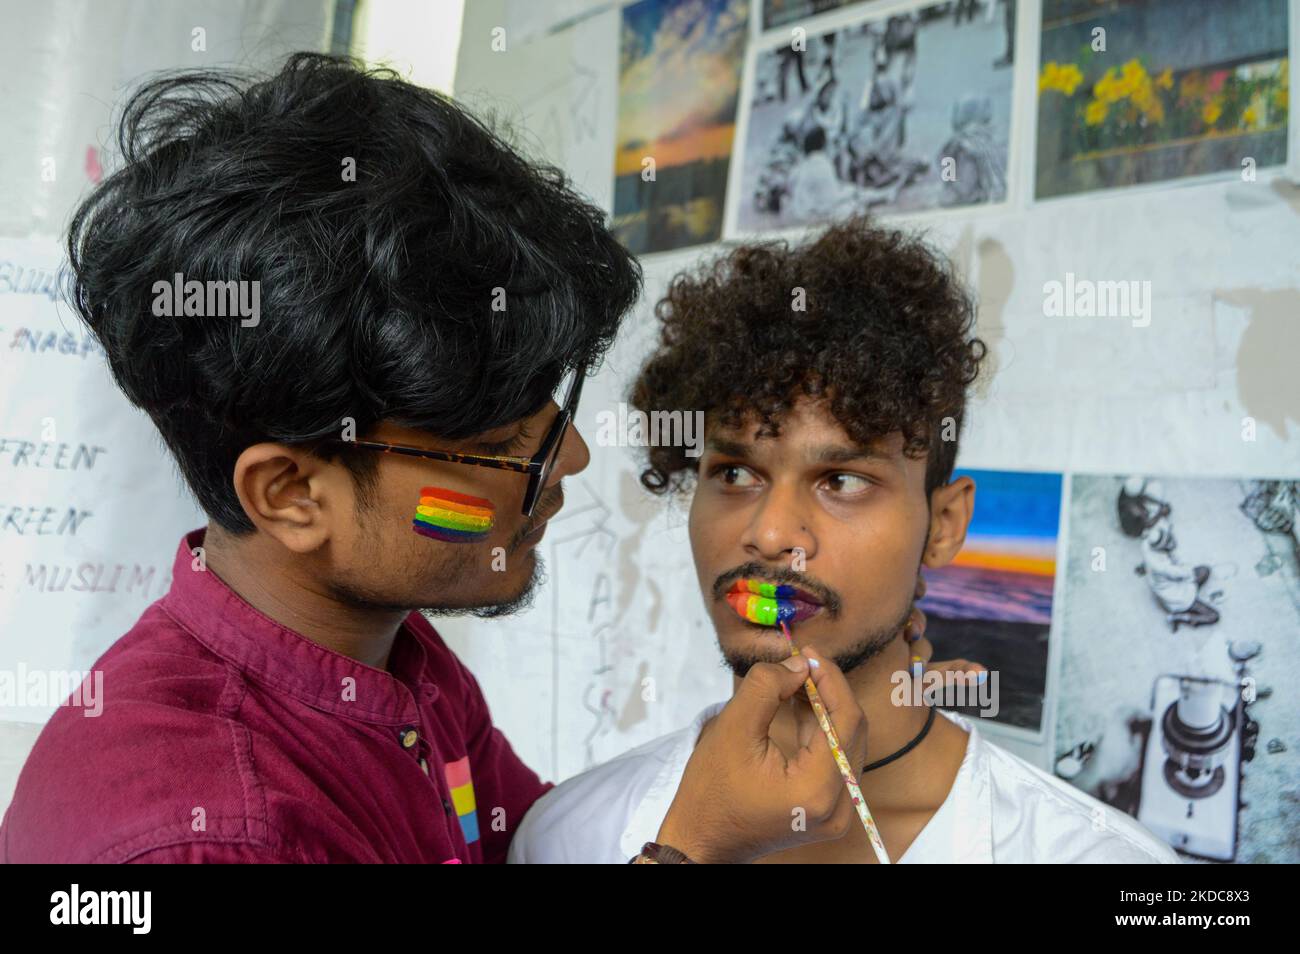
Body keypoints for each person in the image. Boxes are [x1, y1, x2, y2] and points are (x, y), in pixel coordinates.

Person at [0, 53, 876, 864]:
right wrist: (693, 840)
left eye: (546, 406)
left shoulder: (401, 665)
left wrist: (708, 798)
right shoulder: (208, 835)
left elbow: (535, 846)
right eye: (498, 445)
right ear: (294, 493)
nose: (566, 455)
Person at [509, 216, 1181, 864]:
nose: (771, 535)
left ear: (942, 527)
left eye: (843, 480)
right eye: (735, 472)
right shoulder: (571, 838)